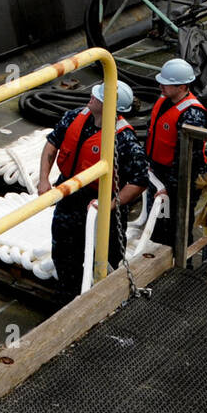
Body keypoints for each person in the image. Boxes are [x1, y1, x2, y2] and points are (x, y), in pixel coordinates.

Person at [37, 82, 149, 301]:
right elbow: (52, 145)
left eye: (98, 97)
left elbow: (139, 180)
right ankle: (67, 299)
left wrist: (109, 205)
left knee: (109, 256)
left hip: (101, 204)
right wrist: (44, 180)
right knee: (64, 251)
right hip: (70, 195)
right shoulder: (74, 117)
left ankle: (111, 302)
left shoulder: (124, 140)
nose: (91, 96)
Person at [143, 58, 207, 246]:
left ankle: (180, 264)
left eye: (168, 84)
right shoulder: (164, 101)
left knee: (174, 227)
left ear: (182, 86)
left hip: (177, 180)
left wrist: (169, 189)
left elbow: (189, 159)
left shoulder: (192, 114)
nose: (161, 86)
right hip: (157, 174)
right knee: (156, 223)